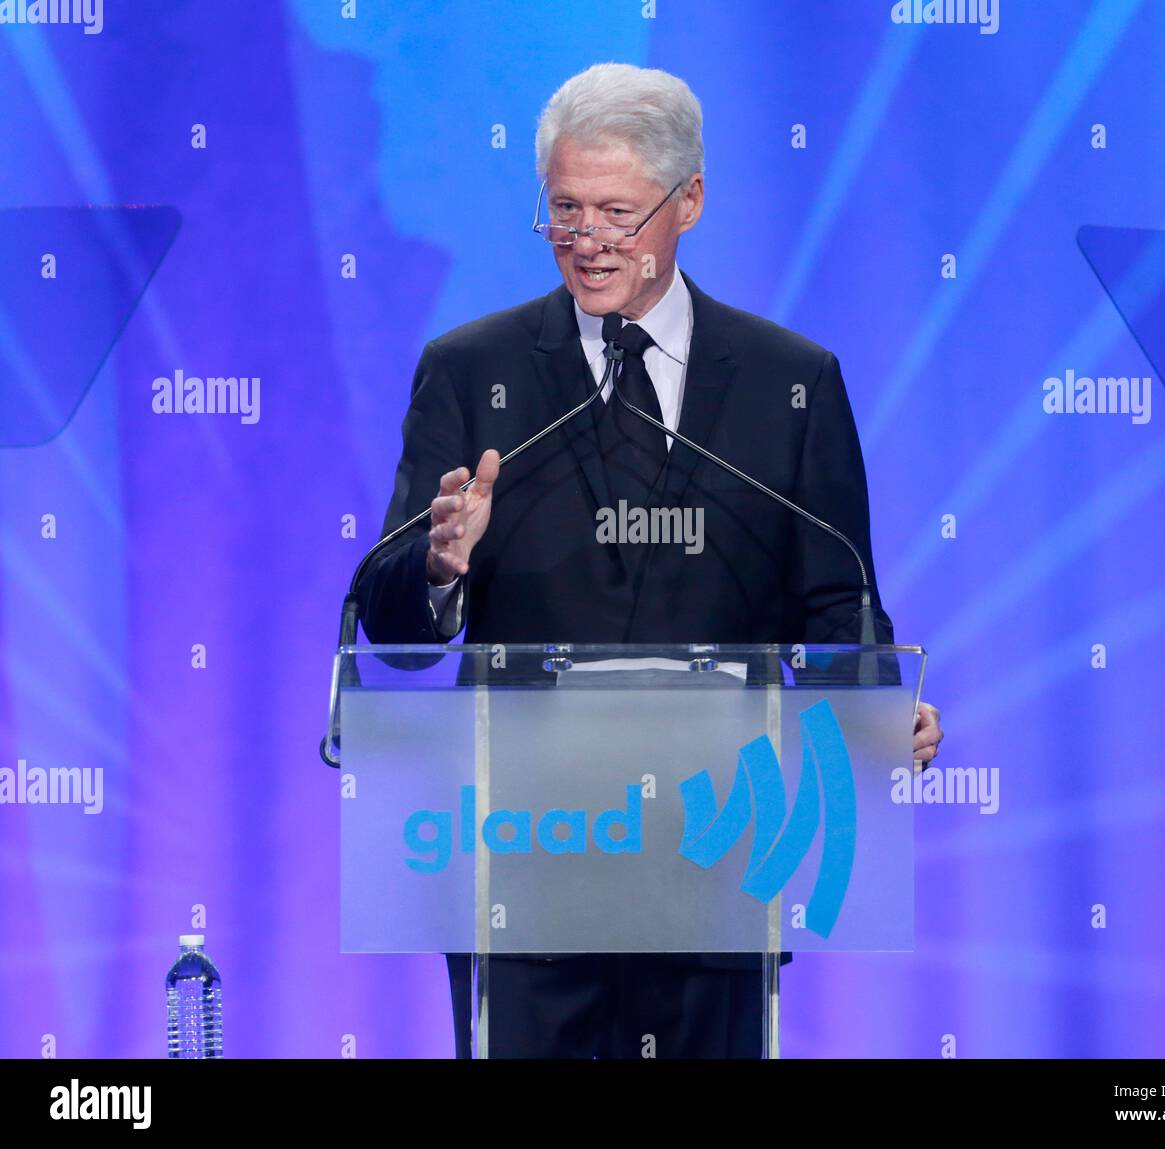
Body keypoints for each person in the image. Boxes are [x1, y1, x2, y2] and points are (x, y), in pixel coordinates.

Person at [358, 62, 944, 1058]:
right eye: (565, 210)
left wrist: (873, 705)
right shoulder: (472, 370)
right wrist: (441, 567)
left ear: (690, 202)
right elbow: (395, 633)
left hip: (715, 855)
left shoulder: (787, 382)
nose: (587, 242)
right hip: (523, 862)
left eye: (619, 213)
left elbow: (837, 591)